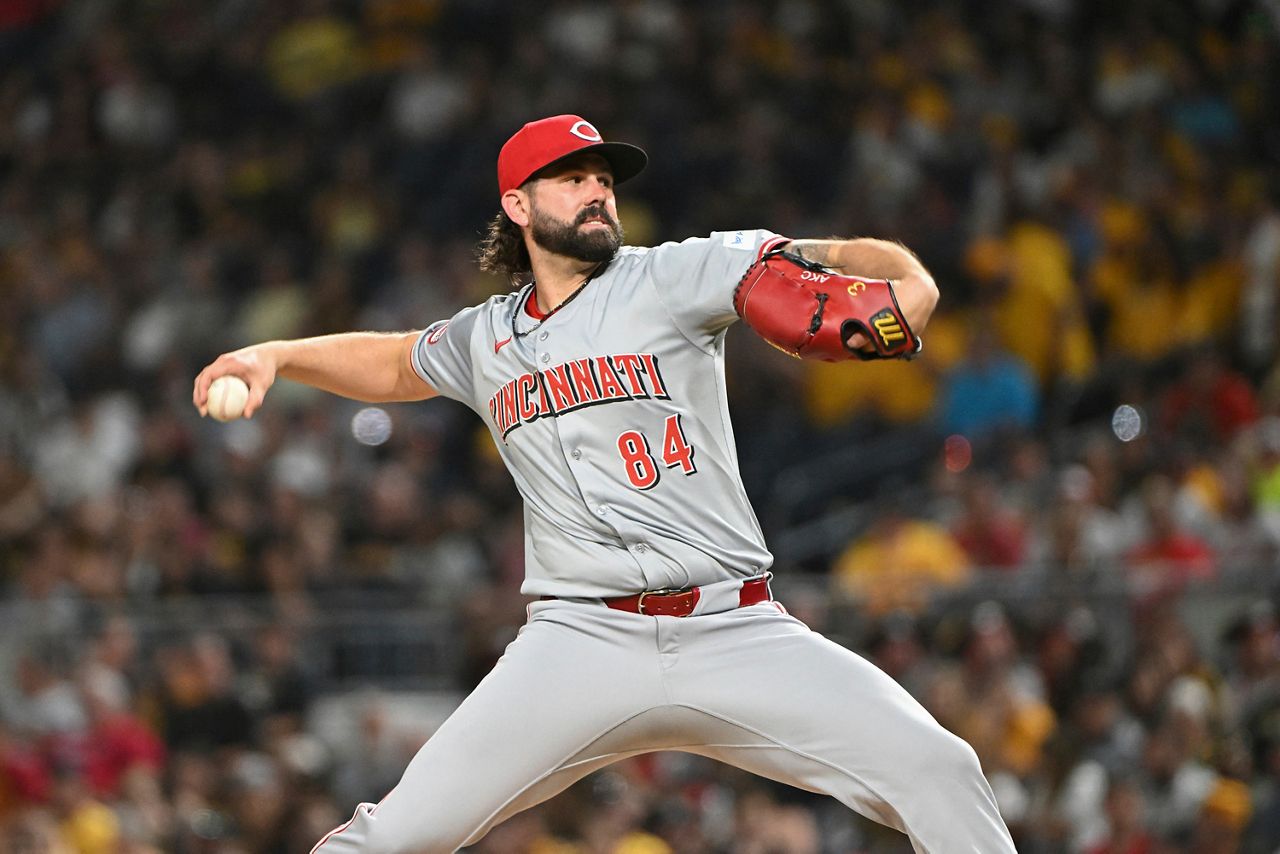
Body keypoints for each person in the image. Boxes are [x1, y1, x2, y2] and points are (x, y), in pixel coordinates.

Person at [193, 115, 1016, 853]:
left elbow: (869, 305)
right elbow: (395, 360)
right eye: (572, 177)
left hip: (733, 627)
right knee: (392, 836)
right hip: (579, 642)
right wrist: (275, 356)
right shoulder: (488, 337)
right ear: (519, 205)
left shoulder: (676, 274)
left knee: (939, 767)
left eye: (605, 180)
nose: (597, 192)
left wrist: (848, 259)